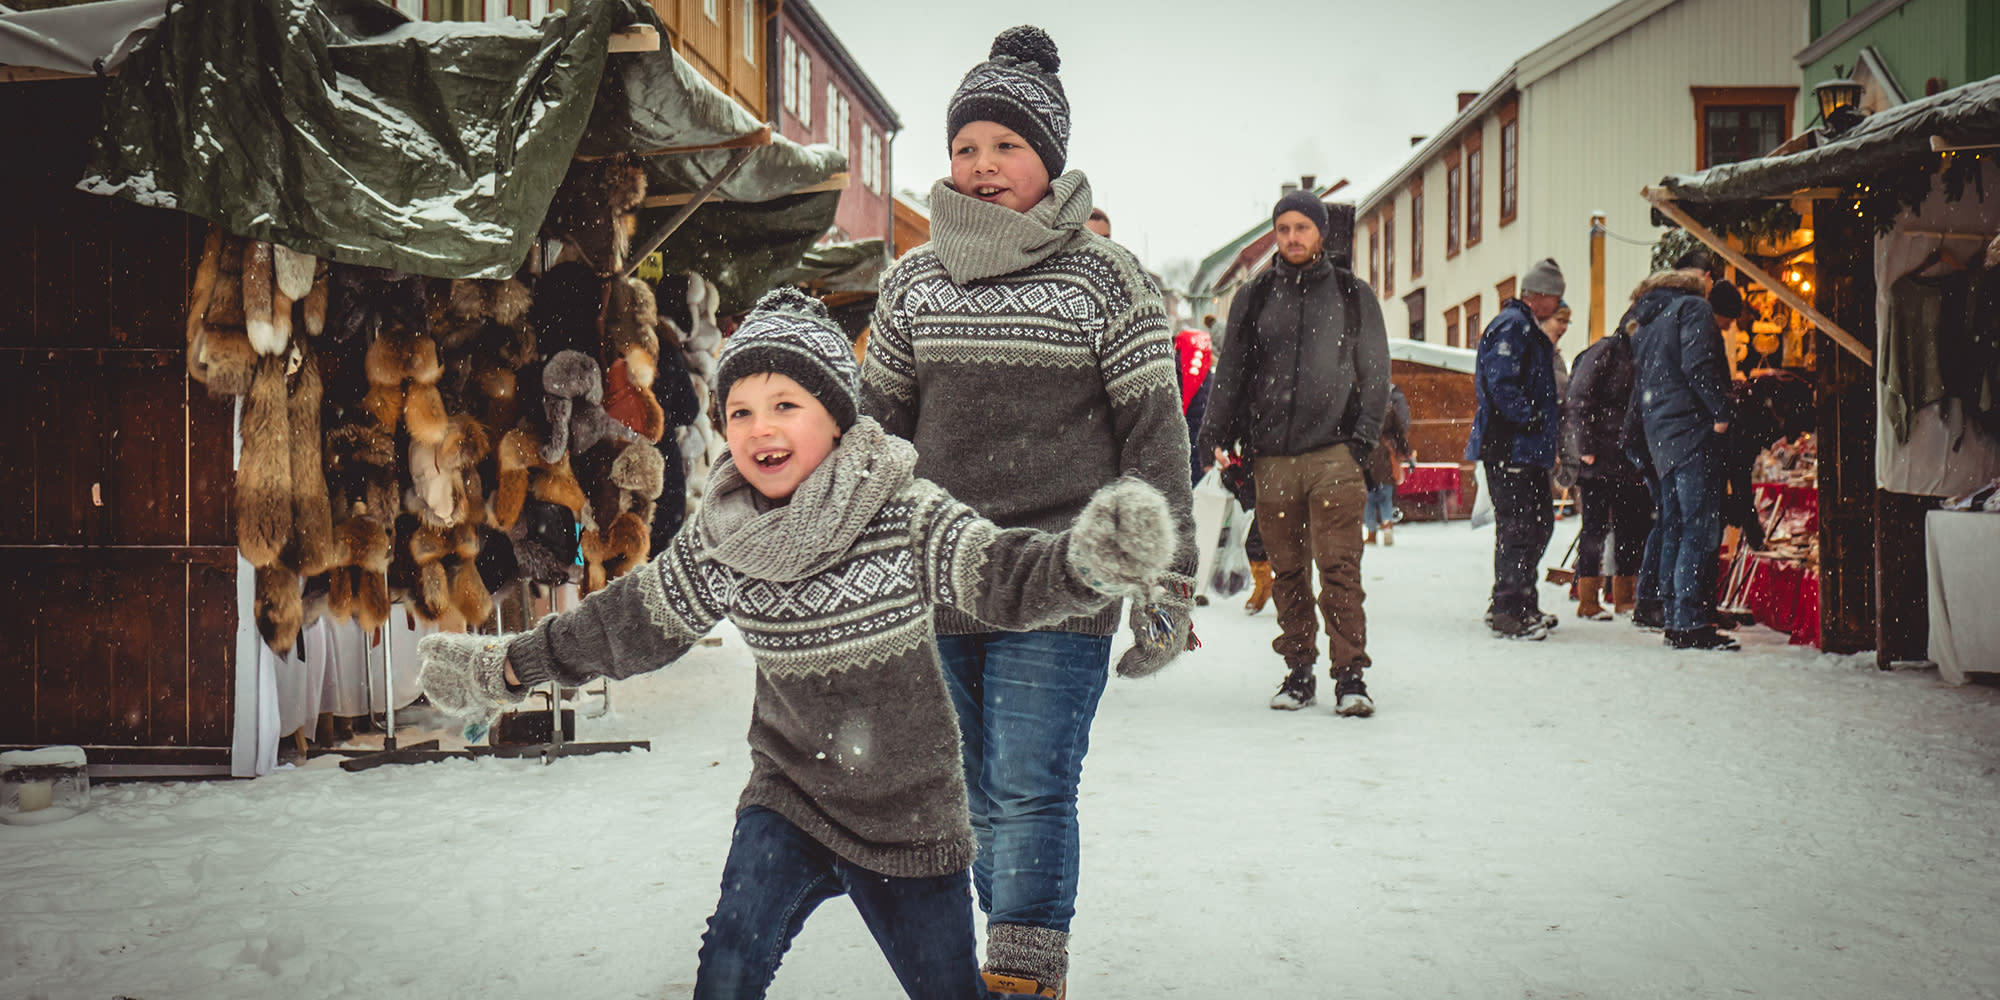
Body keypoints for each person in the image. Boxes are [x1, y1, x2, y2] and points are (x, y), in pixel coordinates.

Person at [414, 289, 1178, 1000]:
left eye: (787, 404)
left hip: (906, 811)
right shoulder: (723, 537)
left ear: (838, 419)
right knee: (731, 961)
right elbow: (625, 622)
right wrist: (508, 666)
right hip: (791, 795)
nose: (761, 428)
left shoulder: (902, 513)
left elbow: (1004, 576)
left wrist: (1084, 561)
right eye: (740, 411)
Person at [858, 26, 1198, 998]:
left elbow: (1153, 436)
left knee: (1031, 785)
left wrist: (1163, 586)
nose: (981, 165)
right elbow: (873, 436)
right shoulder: (915, 282)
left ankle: (1019, 975)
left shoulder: (1106, 278)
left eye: (1003, 145)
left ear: (1047, 157)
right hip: (938, 581)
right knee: (970, 796)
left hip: (1061, 582)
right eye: (965, 146)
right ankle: (1010, 953)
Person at [1198, 189, 1391, 716]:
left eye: (1302, 228)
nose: (1292, 238)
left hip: (1334, 456)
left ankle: (1350, 677)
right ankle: (1298, 670)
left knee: (1339, 570)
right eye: (1283, 229)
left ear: (1321, 233)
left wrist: (1360, 444)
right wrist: (1213, 434)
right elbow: (1233, 371)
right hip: (1272, 459)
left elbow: (1376, 376)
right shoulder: (1256, 296)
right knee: (1285, 570)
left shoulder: (1352, 295)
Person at [1625, 250, 1739, 651]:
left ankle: (1674, 614)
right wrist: (1721, 411)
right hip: (1692, 433)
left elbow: (1646, 385)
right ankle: (1687, 620)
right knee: (1698, 528)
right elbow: (1699, 366)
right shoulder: (1693, 309)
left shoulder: (1651, 320)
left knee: (1674, 524)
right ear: (1702, 281)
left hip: (1663, 435)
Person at [1466, 258, 1565, 640]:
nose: (1558, 305)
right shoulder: (1513, 327)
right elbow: (1500, 382)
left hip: (1523, 447)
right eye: (1555, 297)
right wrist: (1529, 418)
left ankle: (1518, 601)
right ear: (1537, 295)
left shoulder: (1523, 327)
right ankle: (1510, 609)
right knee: (1520, 528)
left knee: (1536, 524)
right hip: (1510, 447)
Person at [1565, 295, 1651, 620]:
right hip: (1599, 458)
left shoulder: (1641, 356)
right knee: (1595, 529)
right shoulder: (1606, 352)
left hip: (1628, 458)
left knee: (1629, 528)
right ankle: (1588, 600)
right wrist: (1585, 447)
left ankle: (1624, 596)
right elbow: (1578, 399)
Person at [1544, 301, 1580, 518]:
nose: (1564, 327)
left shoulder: (1556, 359)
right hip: (1534, 454)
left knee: (1540, 526)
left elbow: (1564, 412)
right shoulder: (1536, 356)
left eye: (1567, 322)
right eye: (1560, 320)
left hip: (1548, 452)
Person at [1364, 383, 1411, 545]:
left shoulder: (1364, 411)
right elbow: (1400, 433)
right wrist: (1407, 454)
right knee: (1385, 498)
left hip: (1368, 458)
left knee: (1370, 500)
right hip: (1387, 458)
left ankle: (1371, 533)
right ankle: (1388, 526)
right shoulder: (1390, 410)